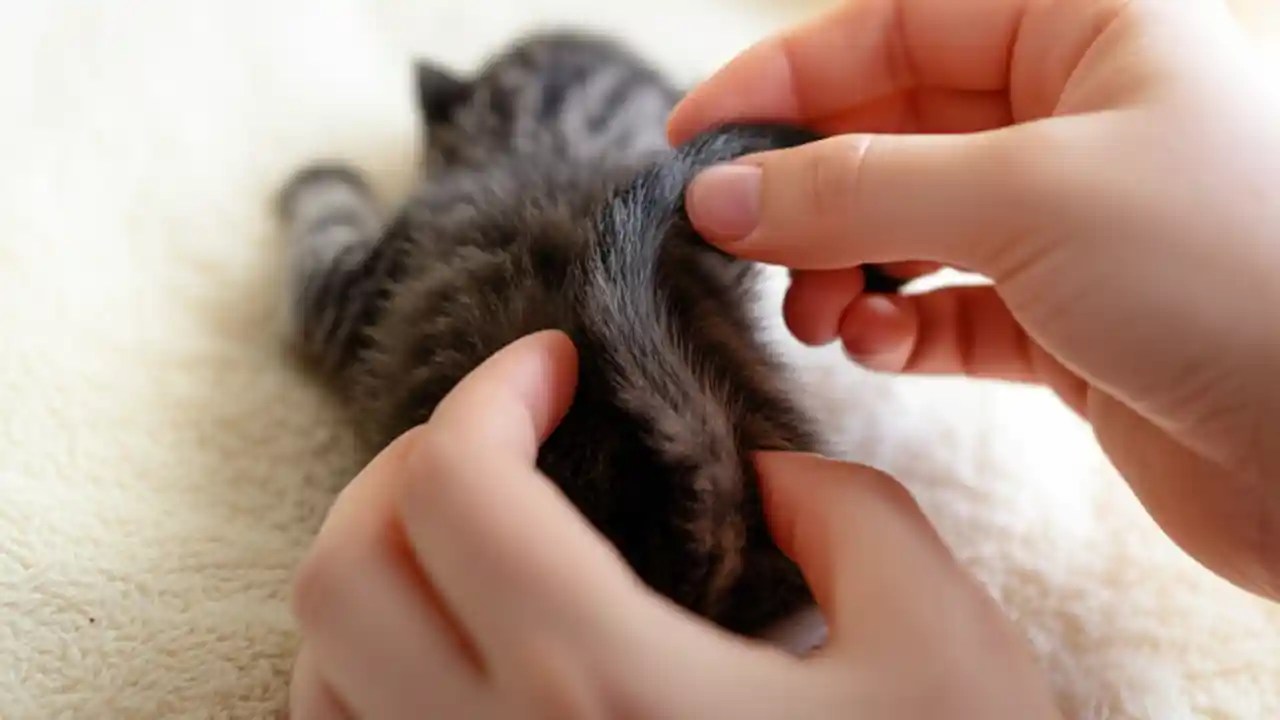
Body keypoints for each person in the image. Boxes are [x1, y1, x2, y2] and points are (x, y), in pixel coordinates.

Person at [285, 0, 1280, 716]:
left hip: (517, 529)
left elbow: (322, 283)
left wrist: (319, 190)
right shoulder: (687, 216)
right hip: (745, 534)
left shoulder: (439, 216)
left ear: (451, 122)